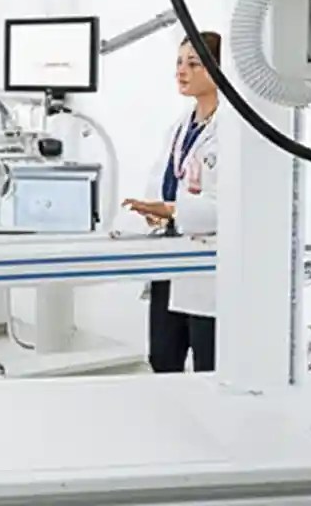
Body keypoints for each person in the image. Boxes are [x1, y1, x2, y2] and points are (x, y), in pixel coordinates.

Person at [124, 32, 221, 373]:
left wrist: (173, 210)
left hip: (205, 269)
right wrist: (154, 210)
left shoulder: (232, 131)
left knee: (209, 363)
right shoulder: (180, 127)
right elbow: (161, 181)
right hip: (168, 262)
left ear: (220, 70)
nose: (182, 71)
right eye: (179, 62)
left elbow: (230, 207)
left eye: (194, 64)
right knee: (163, 359)